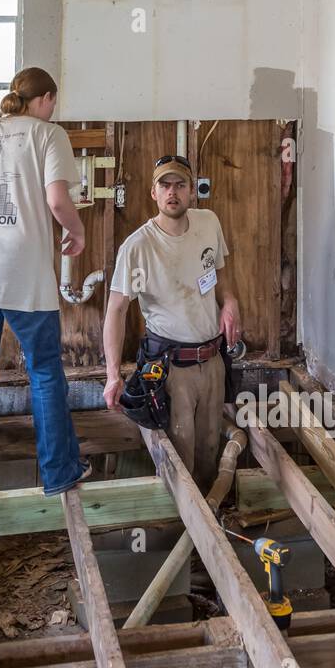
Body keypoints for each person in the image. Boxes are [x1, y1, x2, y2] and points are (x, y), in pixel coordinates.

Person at [0, 67, 90, 502]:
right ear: (44, 99)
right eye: (54, 102)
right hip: (22, 272)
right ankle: (58, 471)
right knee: (44, 370)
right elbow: (57, 200)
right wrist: (77, 232)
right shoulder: (47, 134)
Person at [101, 155, 241, 492]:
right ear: (153, 193)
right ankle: (188, 533)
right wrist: (112, 374)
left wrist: (231, 301)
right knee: (182, 460)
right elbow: (116, 310)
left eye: (180, 185)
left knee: (210, 453)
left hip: (213, 361)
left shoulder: (208, 222)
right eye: (165, 185)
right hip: (172, 368)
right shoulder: (138, 247)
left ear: (192, 192)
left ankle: (210, 524)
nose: (172, 192)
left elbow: (220, 273)